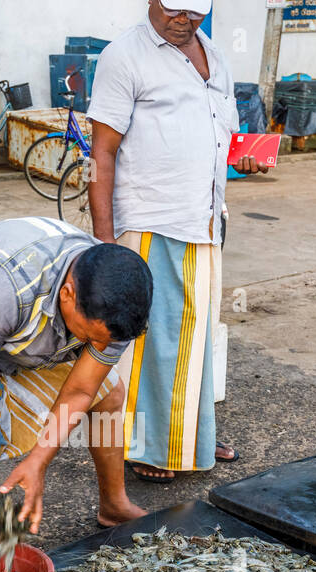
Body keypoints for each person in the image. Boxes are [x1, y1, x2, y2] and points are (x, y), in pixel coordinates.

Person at [87, 0, 268, 485]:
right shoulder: (123, 56)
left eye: (194, 10)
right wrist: (105, 243)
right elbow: (100, 153)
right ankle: (146, 446)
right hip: (151, 219)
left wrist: (244, 157)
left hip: (204, 219)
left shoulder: (215, 55)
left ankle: (191, 435)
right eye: (173, 8)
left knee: (194, 335)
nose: (182, 19)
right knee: (151, 343)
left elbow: (218, 138)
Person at [0, 216, 153, 547]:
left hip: (19, 323)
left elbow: (80, 390)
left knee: (108, 395)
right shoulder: (1, 288)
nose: (98, 347)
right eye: (91, 337)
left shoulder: (120, 307)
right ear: (67, 293)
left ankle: (114, 505)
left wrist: (37, 463)